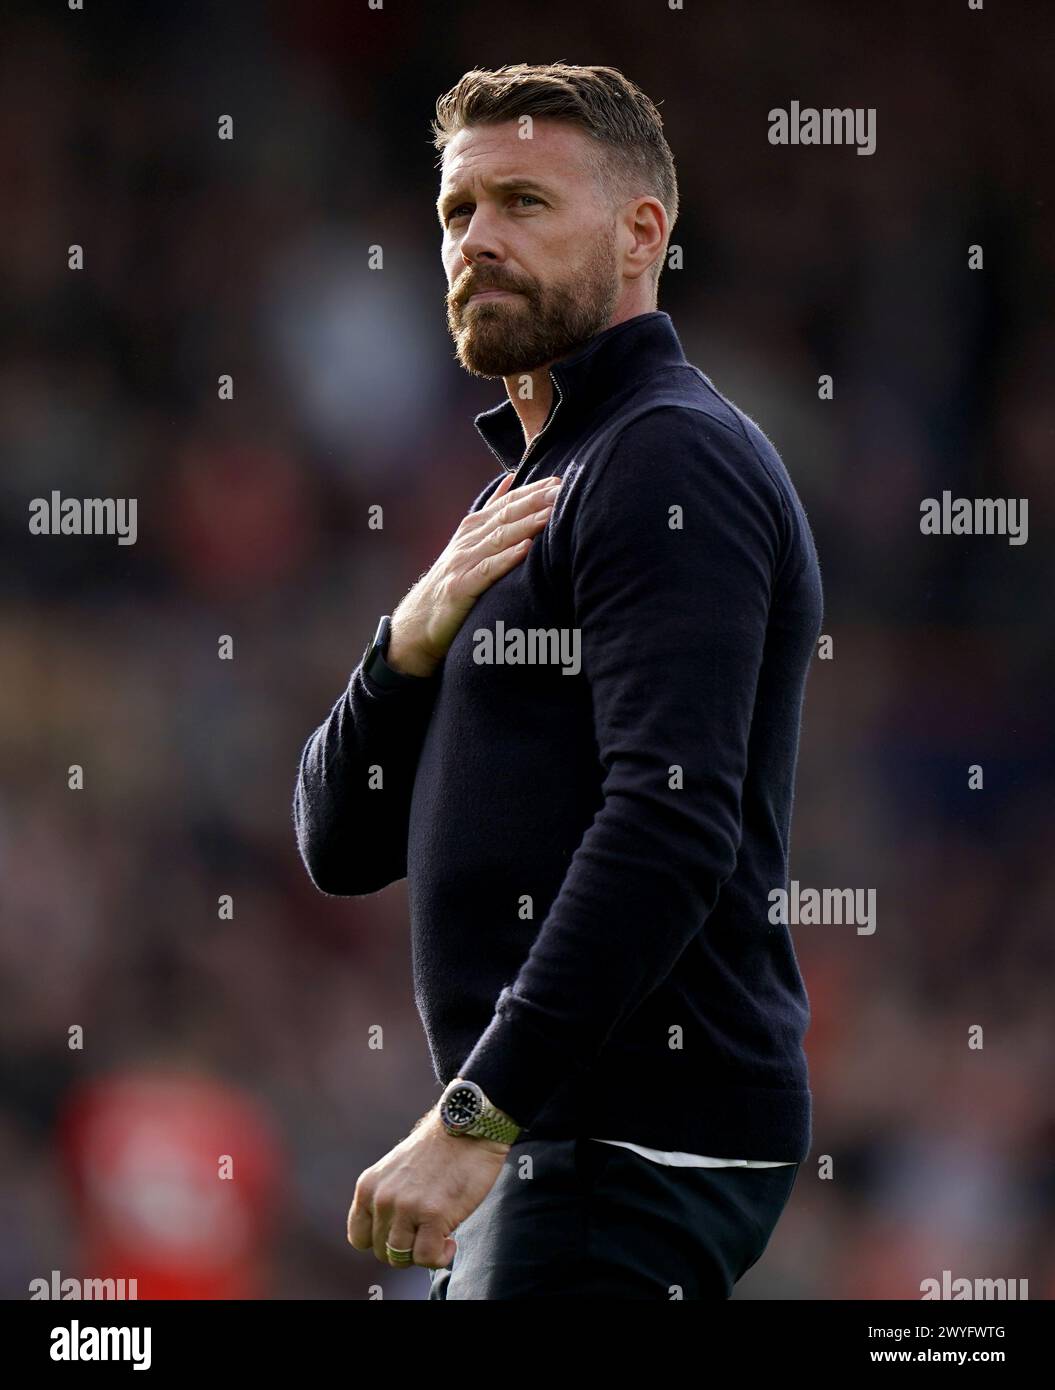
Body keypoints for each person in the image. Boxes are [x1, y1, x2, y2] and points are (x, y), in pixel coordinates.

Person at [294, 62, 823, 1299]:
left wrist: (475, 1113)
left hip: (617, 1144)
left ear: (642, 234)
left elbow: (670, 816)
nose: (475, 239)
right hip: (564, 1146)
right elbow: (339, 839)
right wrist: (402, 643)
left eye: (522, 202)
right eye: (454, 213)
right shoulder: (524, 492)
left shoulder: (665, 455)